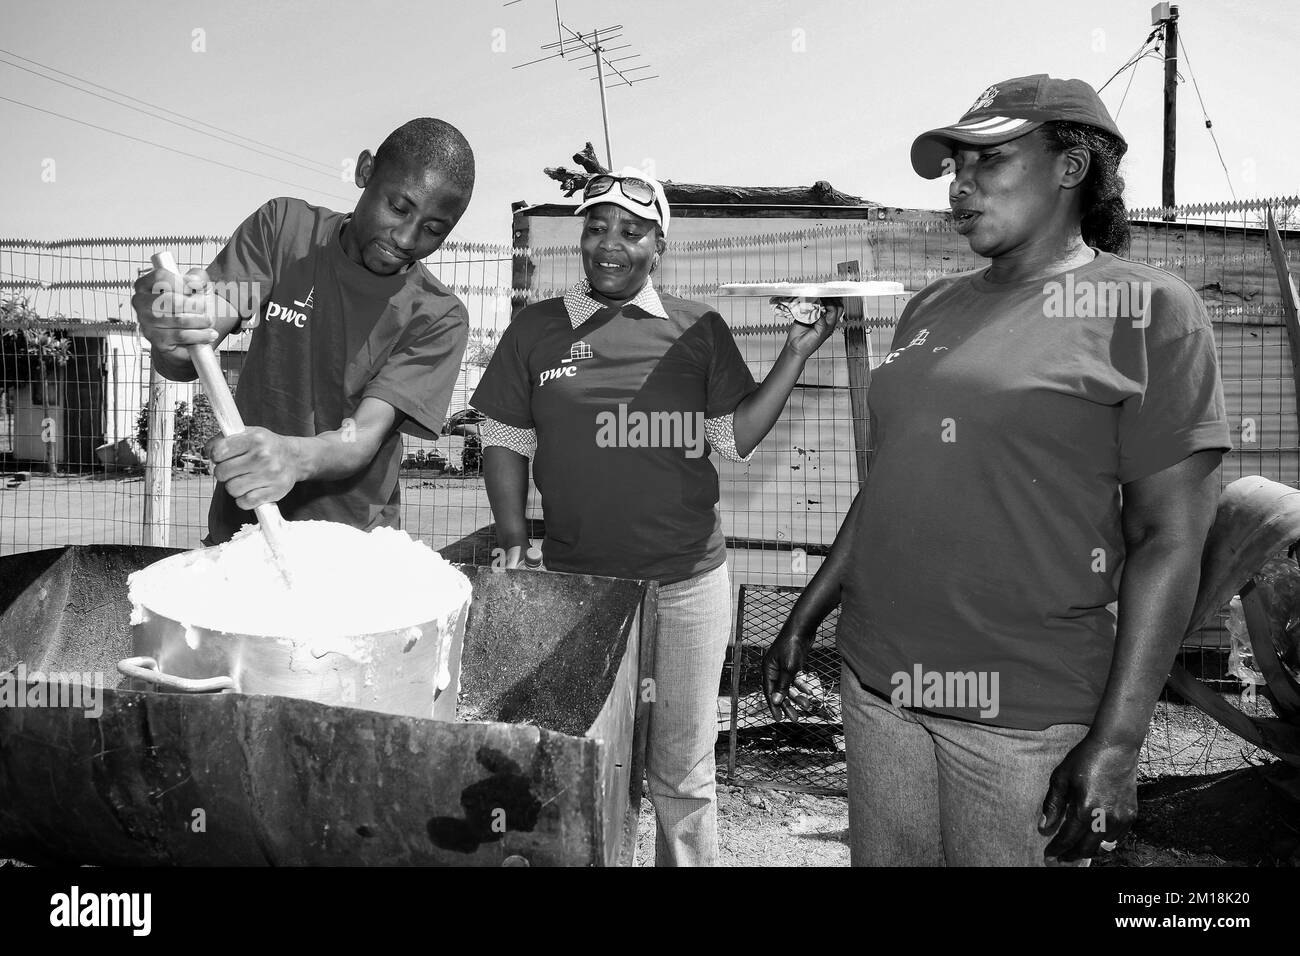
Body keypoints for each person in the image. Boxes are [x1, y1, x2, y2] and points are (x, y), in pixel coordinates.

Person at [763, 75, 1232, 866]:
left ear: (1070, 166)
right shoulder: (932, 305)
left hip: (1023, 712)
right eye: (954, 167)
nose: (961, 186)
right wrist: (809, 611)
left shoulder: (1149, 309)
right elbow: (890, 480)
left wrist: (1117, 741)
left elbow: (1170, 538)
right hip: (881, 687)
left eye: (988, 160)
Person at [470, 168, 842, 865]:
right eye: (597, 228)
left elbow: (731, 439)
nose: (610, 244)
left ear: (658, 244)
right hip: (583, 590)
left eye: (631, 231)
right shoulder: (539, 328)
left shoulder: (695, 327)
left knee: (682, 771)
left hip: (686, 584)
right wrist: (514, 532)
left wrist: (795, 352)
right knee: (592, 763)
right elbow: (505, 436)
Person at [131, 118, 474, 544]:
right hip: (241, 535)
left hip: (355, 548)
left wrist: (290, 457)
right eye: (399, 208)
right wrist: (172, 328)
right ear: (365, 171)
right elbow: (191, 349)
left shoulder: (438, 317)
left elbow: (362, 437)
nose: (406, 237)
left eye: (433, 229)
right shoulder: (283, 231)